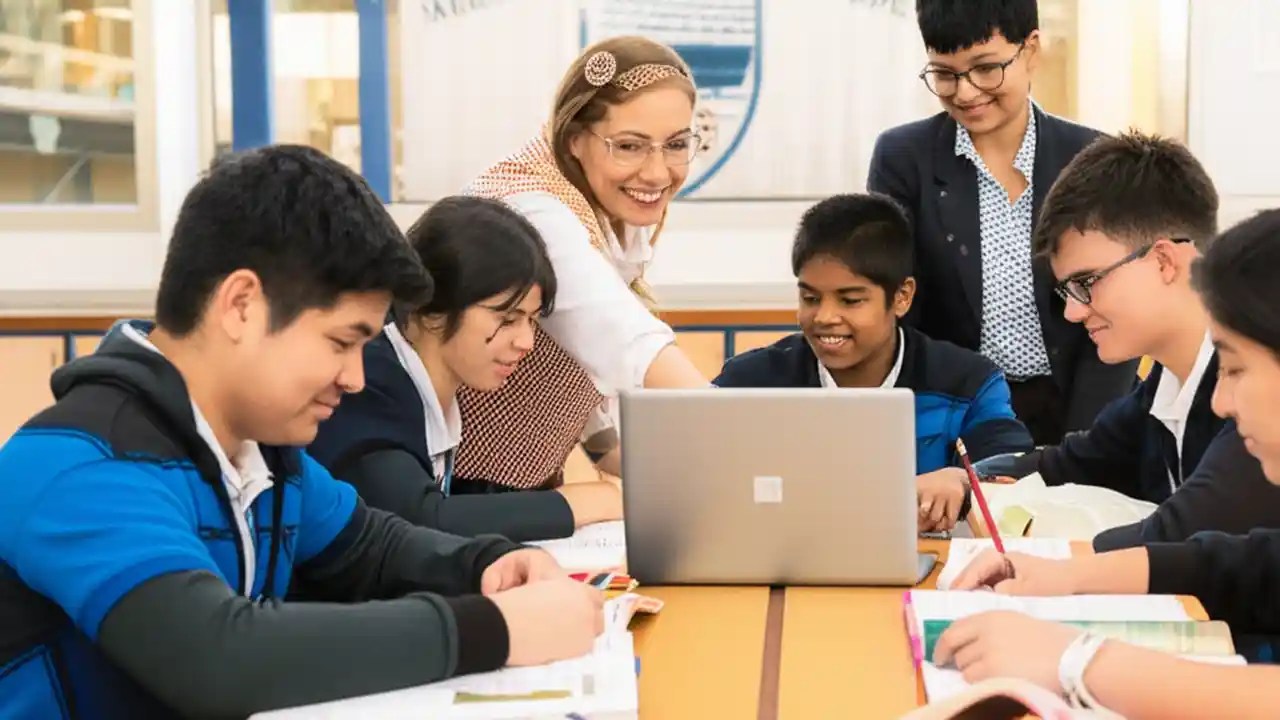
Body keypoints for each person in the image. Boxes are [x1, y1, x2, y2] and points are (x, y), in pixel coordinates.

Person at [0, 146, 604, 718]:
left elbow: (372, 546)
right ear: (241, 305)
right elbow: (216, 657)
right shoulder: (76, 466)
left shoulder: (263, 452)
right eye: (341, 342)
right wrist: (496, 629)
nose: (356, 378)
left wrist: (490, 564)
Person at [933, 209, 1280, 719]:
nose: (1222, 401)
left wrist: (1075, 662)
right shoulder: (1159, 390)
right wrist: (1066, 574)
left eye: (1236, 369)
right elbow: (1250, 564)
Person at [973, 131, 1280, 551]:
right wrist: (965, 480)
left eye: (1086, 283)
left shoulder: (1259, 394)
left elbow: (1173, 540)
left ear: (1164, 261)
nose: (1073, 312)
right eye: (1067, 291)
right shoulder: (1163, 387)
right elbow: (1072, 461)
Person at [867, 0, 1137, 445]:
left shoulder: (1092, 159)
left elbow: (1116, 307)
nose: (966, 92)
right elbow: (894, 308)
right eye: (945, 74)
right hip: (956, 411)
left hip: (1077, 403)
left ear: (1030, 50)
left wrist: (1086, 446)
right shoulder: (904, 159)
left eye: (986, 68)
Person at [460, 35, 711, 491]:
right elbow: (615, 332)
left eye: (676, 144)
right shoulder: (530, 208)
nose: (658, 173)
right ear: (574, 139)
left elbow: (579, 355)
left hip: (512, 491)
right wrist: (736, 433)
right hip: (452, 492)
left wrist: (616, 454)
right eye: (630, 146)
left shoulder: (604, 198)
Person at [714, 193, 1034, 531]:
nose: (824, 317)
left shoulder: (967, 383)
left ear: (902, 297)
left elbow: (1017, 471)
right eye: (810, 298)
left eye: (850, 300)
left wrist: (964, 479)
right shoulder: (750, 381)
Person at [310, 197, 621, 542]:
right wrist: (572, 504)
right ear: (432, 305)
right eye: (507, 319)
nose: (527, 342)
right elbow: (416, 519)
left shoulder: (422, 385)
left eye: (531, 320)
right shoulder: (367, 385)